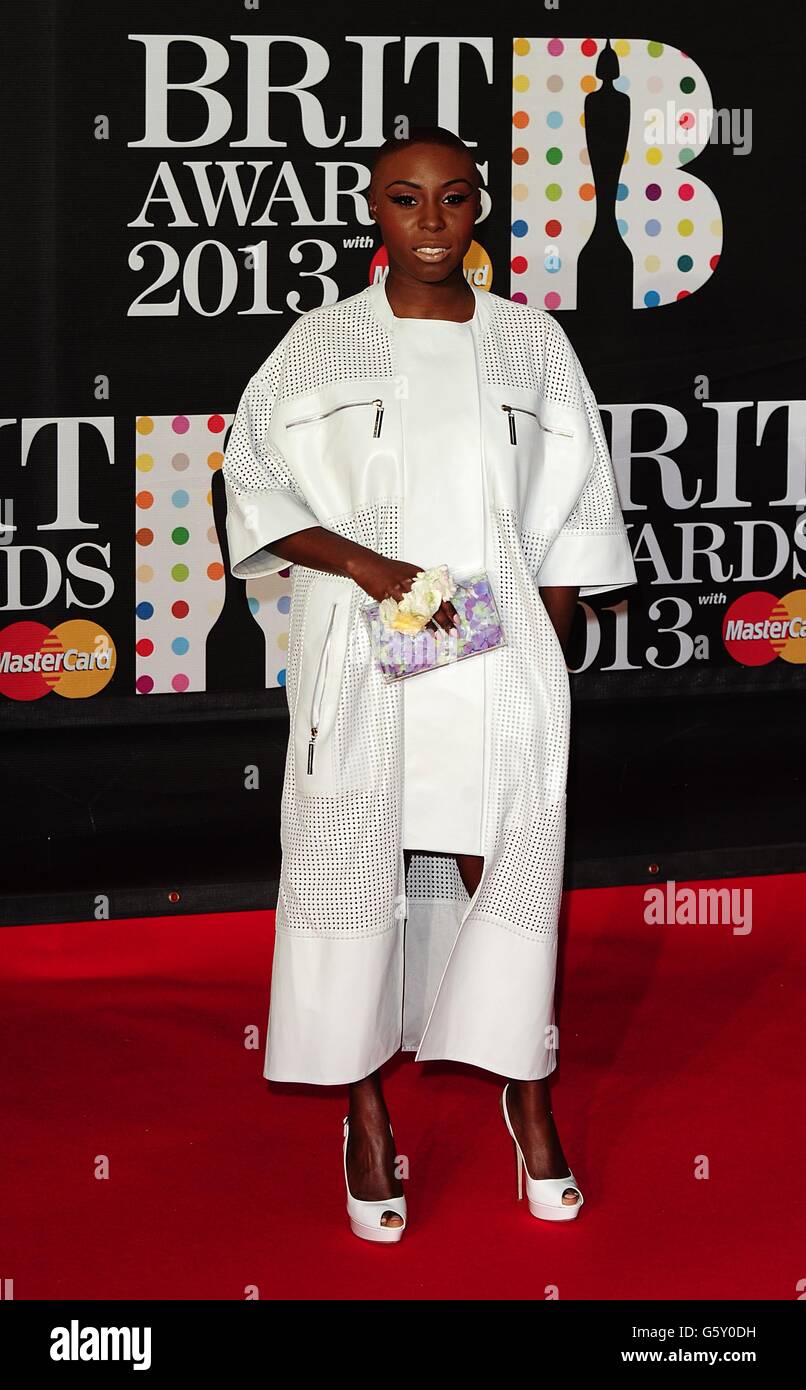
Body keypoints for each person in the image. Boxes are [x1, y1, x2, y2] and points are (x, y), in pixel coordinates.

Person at [221, 125, 637, 1242]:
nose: (431, 223)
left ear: (479, 209)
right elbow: (252, 482)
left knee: (502, 860)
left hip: (491, 649)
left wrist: (540, 654)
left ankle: (525, 1095)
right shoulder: (318, 345)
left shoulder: (530, 346)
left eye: (452, 200)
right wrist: (365, 562)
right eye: (405, 200)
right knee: (353, 859)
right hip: (367, 651)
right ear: (373, 212)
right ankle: (364, 1118)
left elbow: (570, 509)